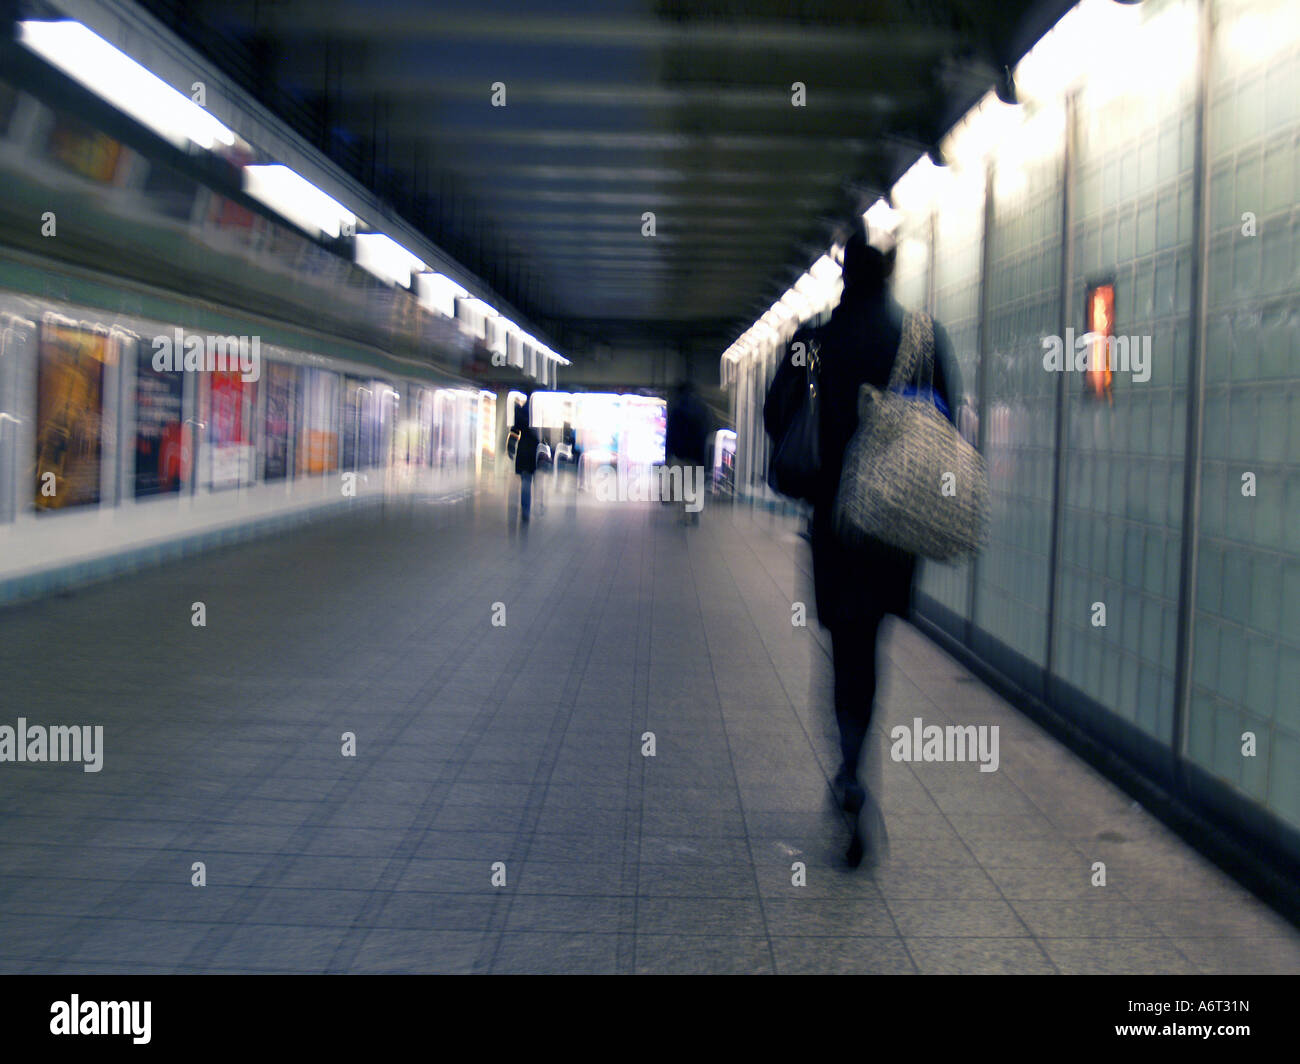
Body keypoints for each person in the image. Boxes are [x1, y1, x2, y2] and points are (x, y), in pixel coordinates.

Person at [765, 220, 961, 867]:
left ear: (843, 274)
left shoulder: (815, 338)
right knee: (868, 644)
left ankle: (850, 767)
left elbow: (774, 414)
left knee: (843, 647)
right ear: (891, 273)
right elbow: (949, 425)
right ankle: (854, 765)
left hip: (834, 524)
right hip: (893, 529)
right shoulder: (925, 340)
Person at [665, 379, 710, 524]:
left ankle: (686, 517)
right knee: (695, 485)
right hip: (698, 455)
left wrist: (668, 455)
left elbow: (671, 434)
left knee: (682, 485)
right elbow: (707, 432)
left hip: (681, 454)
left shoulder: (677, 408)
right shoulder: (703, 408)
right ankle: (695, 511)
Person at [512, 396, 539, 522]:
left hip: (523, 450)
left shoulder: (521, 413)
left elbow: (515, 431)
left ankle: (525, 510)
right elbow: (538, 437)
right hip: (531, 452)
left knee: (525, 481)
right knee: (528, 481)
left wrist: (511, 447)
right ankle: (526, 510)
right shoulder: (535, 414)